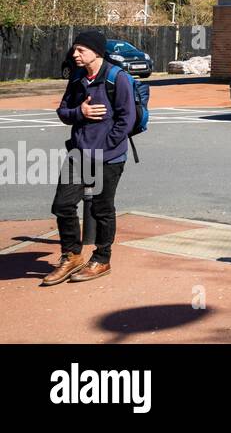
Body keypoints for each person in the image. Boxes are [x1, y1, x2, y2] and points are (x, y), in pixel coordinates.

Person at [43, 31, 137, 285]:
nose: (75, 54)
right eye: (75, 50)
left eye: (80, 50)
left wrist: (104, 148)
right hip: (78, 153)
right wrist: (80, 111)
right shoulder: (77, 78)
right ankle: (72, 255)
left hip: (108, 157)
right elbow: (63, 112)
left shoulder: (118, 79)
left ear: (96, 52)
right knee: (62, 205)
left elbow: (126, 121)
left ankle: (102, 258)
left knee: (102, 208)